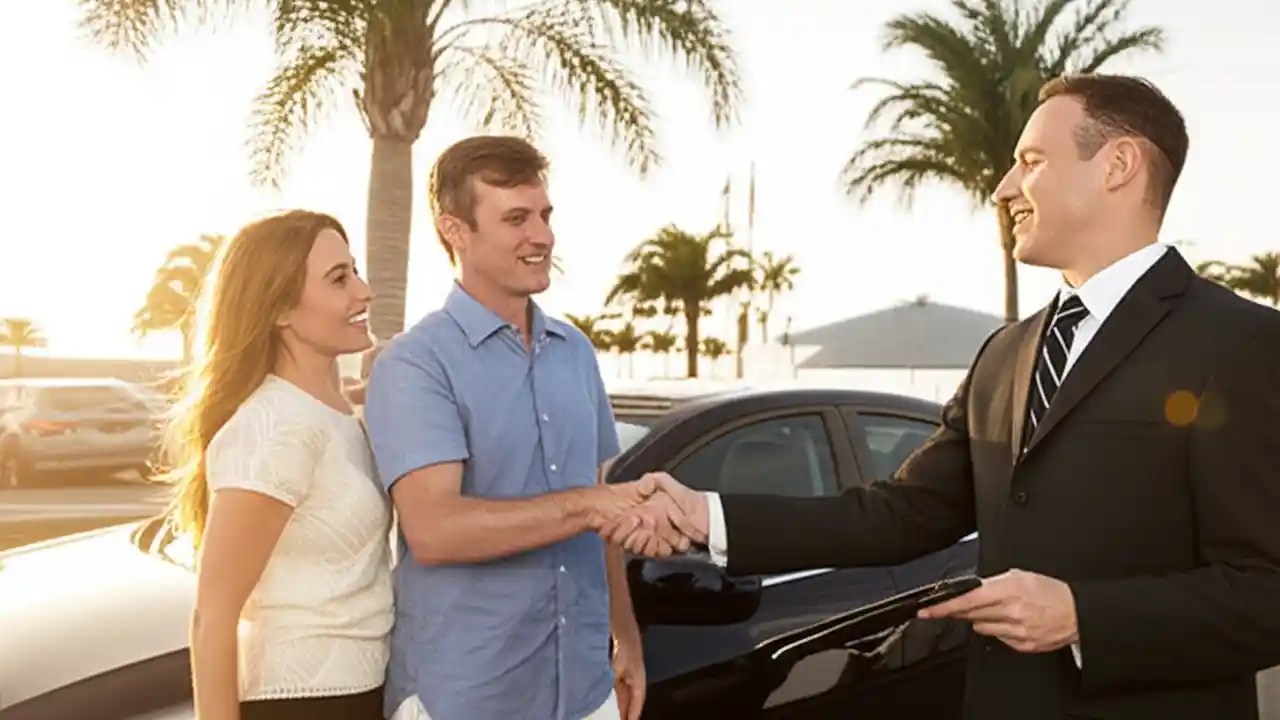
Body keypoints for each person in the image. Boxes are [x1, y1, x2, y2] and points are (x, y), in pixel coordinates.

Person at [613, 74, 1280, 720]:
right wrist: (707, 516)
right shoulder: (1005, 354)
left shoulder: (1242, 343)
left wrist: (1081, 616)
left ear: (1118, 165)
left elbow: (1267, 590)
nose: (1004, 187)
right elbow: (899, 515)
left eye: (1031, 161)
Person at [362, 135, 682, 720]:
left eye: (544, 215)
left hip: (585, 693)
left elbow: (603, 512)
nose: (542, 236)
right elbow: (435, 529)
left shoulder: (576, 352)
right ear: (455, 230)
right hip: (465, 697)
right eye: (516, 218)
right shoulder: (415, 363)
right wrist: (589, 506)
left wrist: (626, 636)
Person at [155, 210, 393, 719]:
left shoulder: (333, 414)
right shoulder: (273, 427)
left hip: (362, 693)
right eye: (339, 279)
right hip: (302, 704)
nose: (364, 290)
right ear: (280, 308)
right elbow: (212, 618)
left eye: (355, 270)